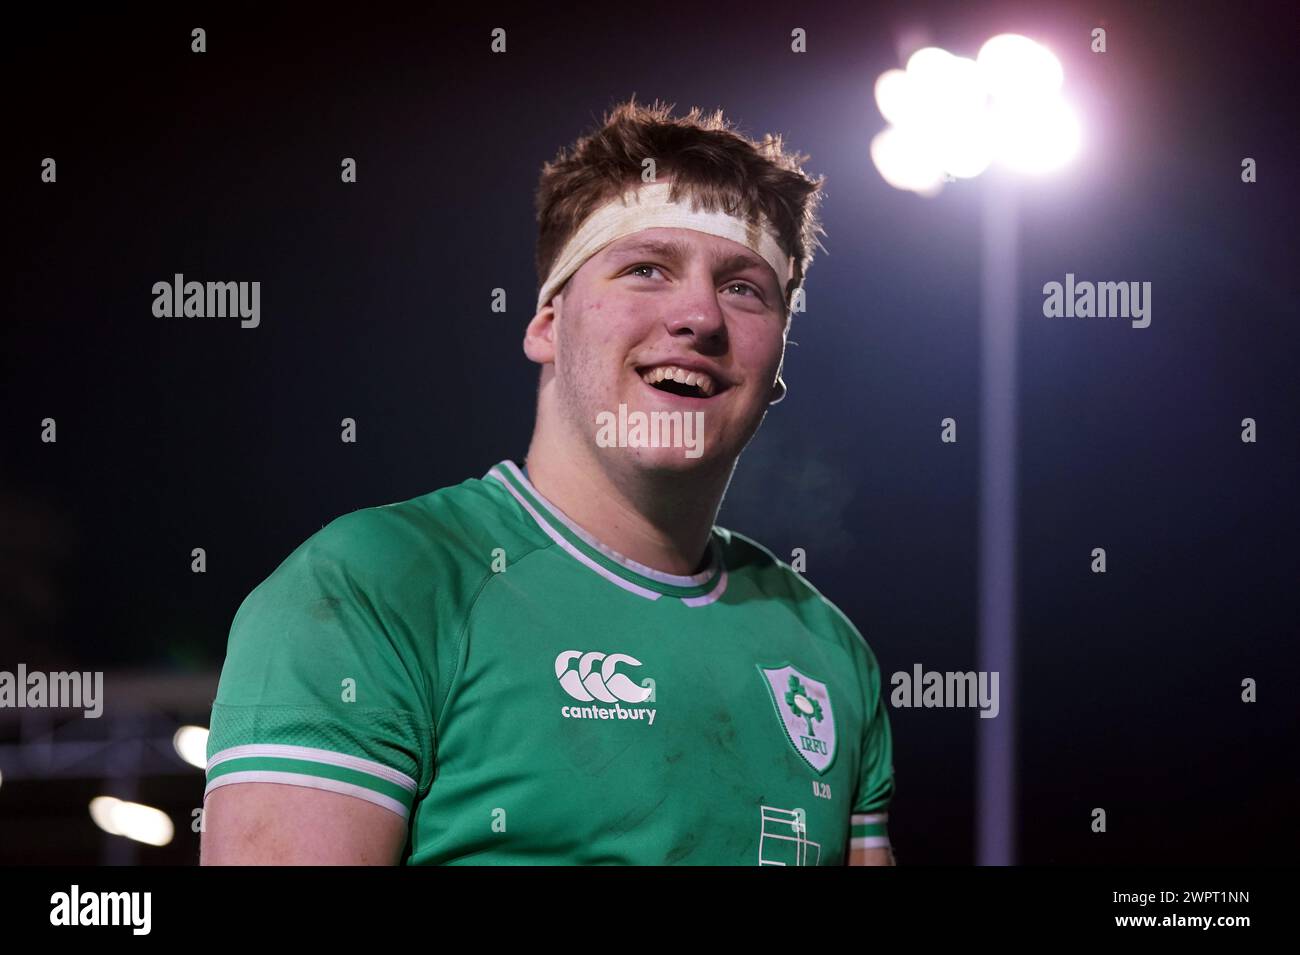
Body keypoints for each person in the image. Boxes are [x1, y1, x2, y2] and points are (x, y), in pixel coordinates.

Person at [200, 97, 895, 865]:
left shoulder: (829, 650)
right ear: (546, 324)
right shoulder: (373, 584)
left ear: (776, 370)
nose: (700, 314)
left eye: (744, 288)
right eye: (646, 268)